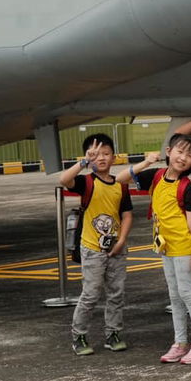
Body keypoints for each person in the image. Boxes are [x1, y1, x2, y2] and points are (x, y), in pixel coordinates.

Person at [129, 135, 191, 365]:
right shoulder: (156, 176)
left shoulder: (186, 189)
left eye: (190, 155)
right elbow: (123, 178)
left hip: (183, 246)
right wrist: (146, 162)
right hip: (165, 246)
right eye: (180, 151)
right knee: (174, 295)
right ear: (168, 151)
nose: (183, 158)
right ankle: (180, 342)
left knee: (186, 293)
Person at [61, 133, 134, 355]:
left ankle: (113, 333)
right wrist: (82, 163)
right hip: (92, 249)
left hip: (116, 249)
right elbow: (64, 181)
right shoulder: (86, 182)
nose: (101, 158)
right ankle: (79, 335)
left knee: (116, 293)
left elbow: (127, 214)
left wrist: (121, 241)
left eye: (106, 153)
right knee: (90, 294)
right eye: (96, 155)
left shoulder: (120, 185)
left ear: (114, 157)